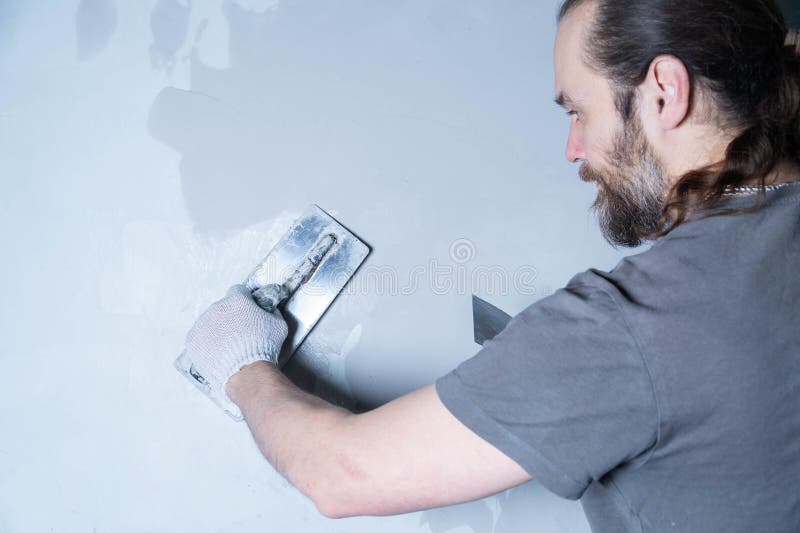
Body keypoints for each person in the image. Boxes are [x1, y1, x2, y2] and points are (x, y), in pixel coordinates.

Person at [181, 1, 800, 531]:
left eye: (577, 111)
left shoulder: (636, 327)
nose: (573, 150)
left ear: (664, 90)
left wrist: (241, 367)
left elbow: (343, 474)